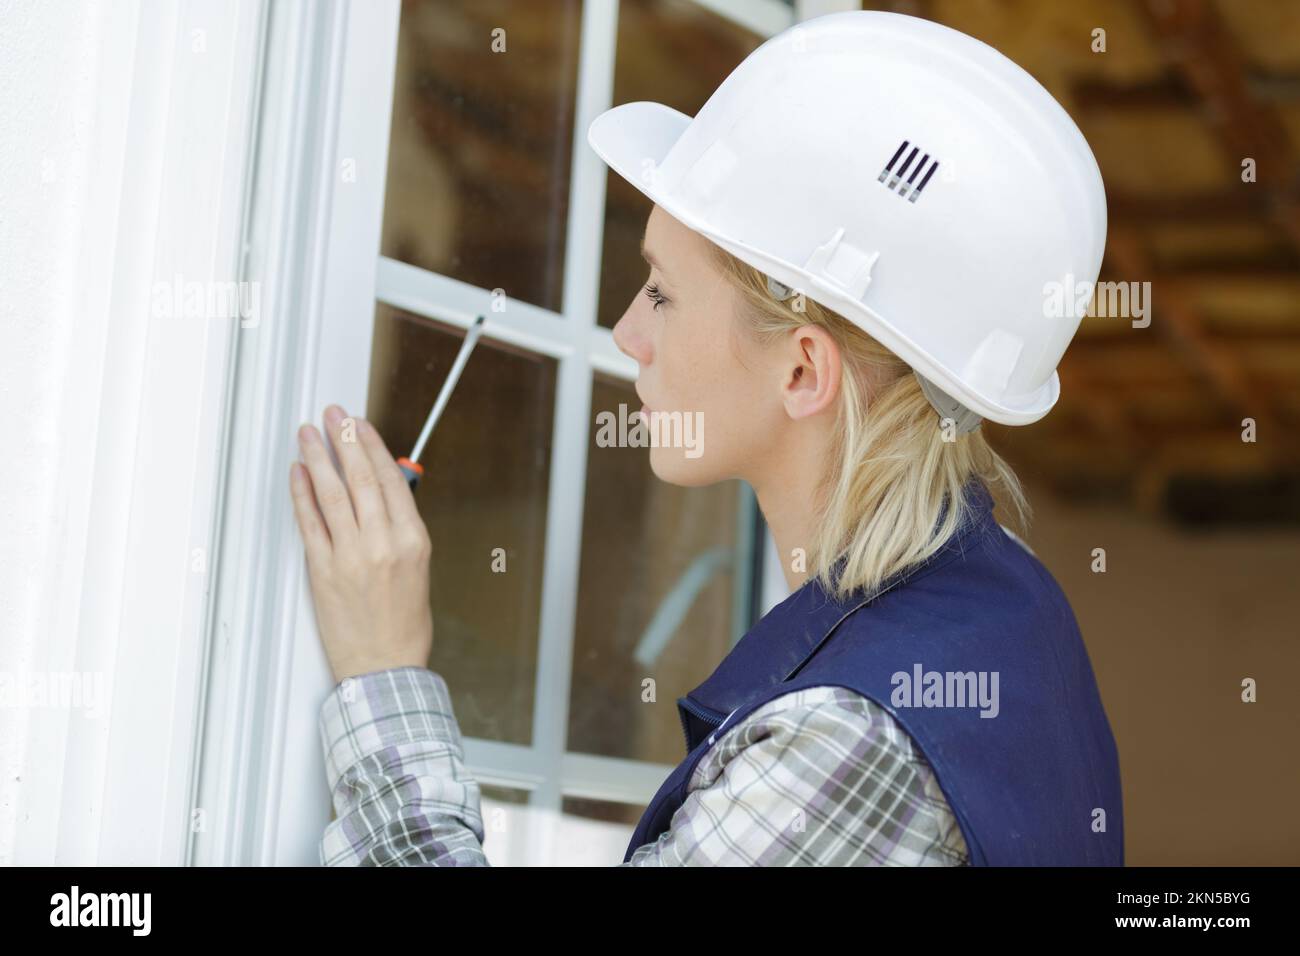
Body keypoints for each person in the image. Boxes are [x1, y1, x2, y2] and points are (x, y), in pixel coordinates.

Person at [290, 10, 1123, 866]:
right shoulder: (999, 617)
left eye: (660, 292)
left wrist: (382, 675)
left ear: (802, 371)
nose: (625, 332)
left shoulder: (847, 743)